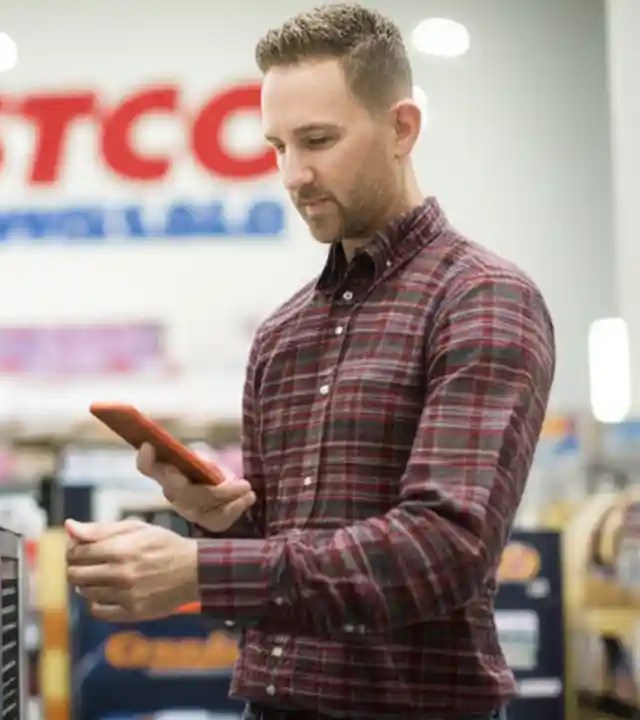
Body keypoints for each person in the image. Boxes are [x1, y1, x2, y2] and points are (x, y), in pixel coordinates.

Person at [63, 3, 556, 719]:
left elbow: (444, 550)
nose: (293, 175)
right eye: (277, 147)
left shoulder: (482, 299)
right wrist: (216, 522)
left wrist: (200, 569)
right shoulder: (283, 336)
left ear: (401, 129)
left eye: (318, 140)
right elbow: (286, 582)